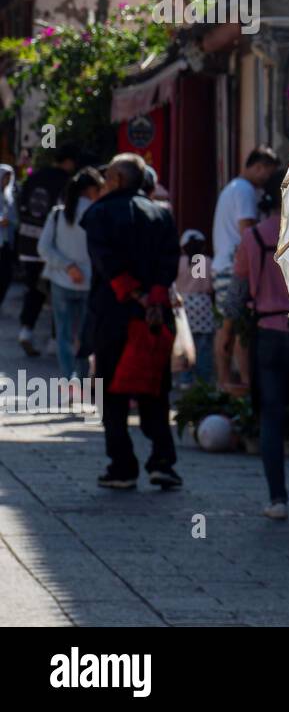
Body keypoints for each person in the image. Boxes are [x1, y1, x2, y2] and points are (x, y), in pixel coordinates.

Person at [223, 168, 289, 520]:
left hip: (268, 335)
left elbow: (235, 299)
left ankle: (277, 500)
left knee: (270, 416)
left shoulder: (253, 237)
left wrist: (228, 337)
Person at [82, 153, 182, 491]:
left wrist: (136, 295)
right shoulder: (162, 215)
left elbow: (106, 263)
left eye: (108, 177)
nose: (104, 183)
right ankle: (163, 462)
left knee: (112, 393)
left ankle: (122, 466)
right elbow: (170, 262)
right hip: (154, 315)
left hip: (113, 314)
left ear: (119, 180)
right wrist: (153, 298)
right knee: (155, 387)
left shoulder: (97, 214)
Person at [212, 147, 280, 376]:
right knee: (238, 330)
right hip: (234, 269)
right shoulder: (245, 191)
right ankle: (240, 383)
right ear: (259, 167)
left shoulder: (233, 188)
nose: (267, 179)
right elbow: (248, 232)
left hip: (224, 266)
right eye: (267, 172)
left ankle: (225, 383)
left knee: (228, 328)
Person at [36, 167, 103, 382]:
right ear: (92, 189)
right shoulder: (99, 213)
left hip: (61, 281)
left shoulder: (58, 214)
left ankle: (68, 379)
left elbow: (43, 248)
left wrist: (67, 266)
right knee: (85, 337)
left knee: (63, 336)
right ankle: (82, 379)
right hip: (91, 283)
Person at [16, 144, 78, 355]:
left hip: (27, 244)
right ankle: (54, 339)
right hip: (53, 246)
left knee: (33, 290)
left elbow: (20, 204)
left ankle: (26, 330)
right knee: (56, 293)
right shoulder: (66, 182)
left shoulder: (34, 177)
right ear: (68, 162)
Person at [175, 230, 217, 386]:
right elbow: (213, 285)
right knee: (204, 347)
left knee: (185, 345)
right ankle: (204, 381)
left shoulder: (178, 262)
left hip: (183, 308)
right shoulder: (207, 261)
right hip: (204, 306)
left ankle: (185, 379)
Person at [0, 164, 16, 309]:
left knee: (6, 276)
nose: (7, 180)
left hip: (6, 243)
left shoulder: (10, 196)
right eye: (5, 177)